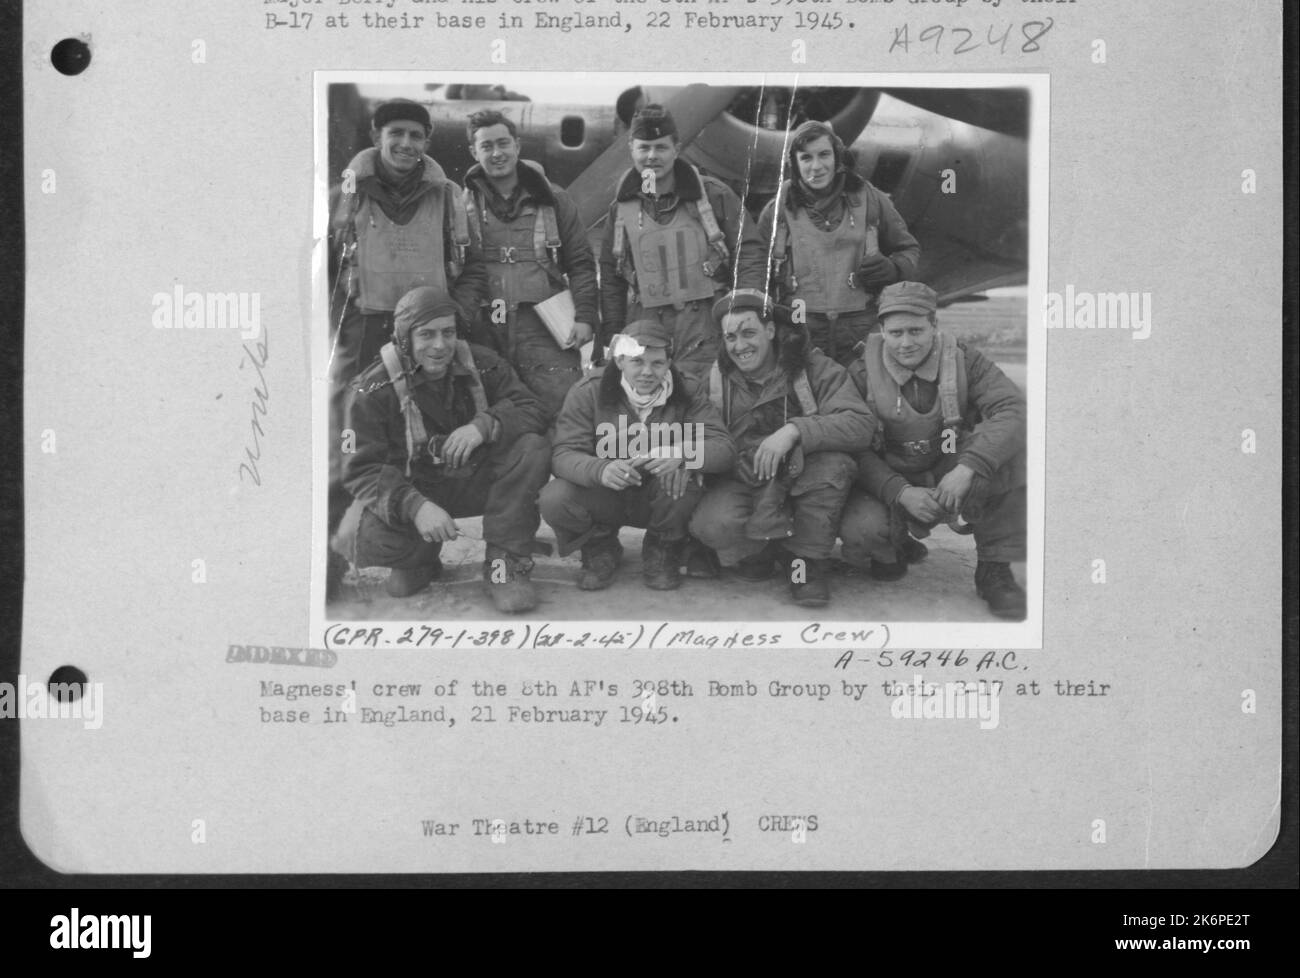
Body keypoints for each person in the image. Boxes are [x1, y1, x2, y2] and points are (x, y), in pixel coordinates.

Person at [327, 99, 487, 584]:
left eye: (417, 136)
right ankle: (328, 563)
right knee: (345, 442)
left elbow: (472, 267)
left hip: (426, 335)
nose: (406, 144)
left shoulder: (448, 197)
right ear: (377, 135)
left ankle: (417, 554)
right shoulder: (345, 194)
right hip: (363, 333)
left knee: (422, 436)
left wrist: (450, 319)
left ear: (427, 141)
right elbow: (321, 269)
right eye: (396, 133)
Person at [333, 287, 550, 613]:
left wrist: (483, 425)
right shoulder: (371, 389)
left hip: (475, 481)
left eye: (448, 333)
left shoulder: (482, 363)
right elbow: (360, 469)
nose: (440, 345)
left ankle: (503, 567)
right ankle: (419, 560)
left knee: (532, 447)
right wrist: (416, 507)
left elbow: (532, 407)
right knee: (367, 539)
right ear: (404, 339)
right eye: (427, 335)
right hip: (418, 491)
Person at [840, 281, 1027, 619]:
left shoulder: (965, 359)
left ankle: (994, 569)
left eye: (916, 330)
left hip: (949, 467)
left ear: (934, 326)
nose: (906, 342)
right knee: (863, 530)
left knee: (1011, 455)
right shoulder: (859, 370)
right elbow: (853, 446)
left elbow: (1012, 409)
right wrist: (899, 492)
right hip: (893, 474)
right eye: (896, 333)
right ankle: (893, 544)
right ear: (882, 330)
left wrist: (969, 466)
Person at [688, 290, 874, 607]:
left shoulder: (811, 366)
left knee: (835, 467)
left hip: (807, 477)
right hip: (748, 479)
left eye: (749, 333)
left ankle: (807, 563)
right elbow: (698, 431)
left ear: (771, 330)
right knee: (712, 525)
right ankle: (764, 549)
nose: (739, 346)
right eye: (730, 337)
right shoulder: (716, 379)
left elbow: (860, 424)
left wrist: (794, 430)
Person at [540, 319, 735, 592]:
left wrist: (682, 455)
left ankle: (663, 548)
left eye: (657, 363)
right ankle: (599, 546)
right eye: (637, 362)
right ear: (620, 361)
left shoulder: (688, 389)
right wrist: (600, 470)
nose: (647, 372)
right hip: (607, 493)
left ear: (670, 363)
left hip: (662, 494)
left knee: (683, 480)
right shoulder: (589, 391)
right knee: (555, 497)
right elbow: (562, 454)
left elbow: (723, 448)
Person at [599, 104, 766, 382]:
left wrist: (742, 310)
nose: (652, 156)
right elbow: (611, 275)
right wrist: (613, 333)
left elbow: (748, 249)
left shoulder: (712, 196)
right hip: (645, 323)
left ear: (676, 148)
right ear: (631, 149)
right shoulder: (621, 210)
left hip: (705, 324)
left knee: (707, 397)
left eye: (661, 148)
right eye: (644, 148)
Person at [461, 109, 598, 419]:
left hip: (544, 327)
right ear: (474, 151)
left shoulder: (555, 200)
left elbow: (580, 262)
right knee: (494, 412)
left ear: (517, 146)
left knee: (564, 410)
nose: (497, 153)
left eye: (503, 143)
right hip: (485, 326)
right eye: (486, 146)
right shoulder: (460, 204)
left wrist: (586, 316)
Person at [757, 120, 921, 366]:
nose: (816, 166)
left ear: (837, 157)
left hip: (862, 332)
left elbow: (909, 249)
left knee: (864, 398)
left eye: (824, 155)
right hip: (801, 332)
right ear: (795, 163)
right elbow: (756, 268)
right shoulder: (778, 211)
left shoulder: (871, 199)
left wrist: (894, 268)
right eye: (806, 158)